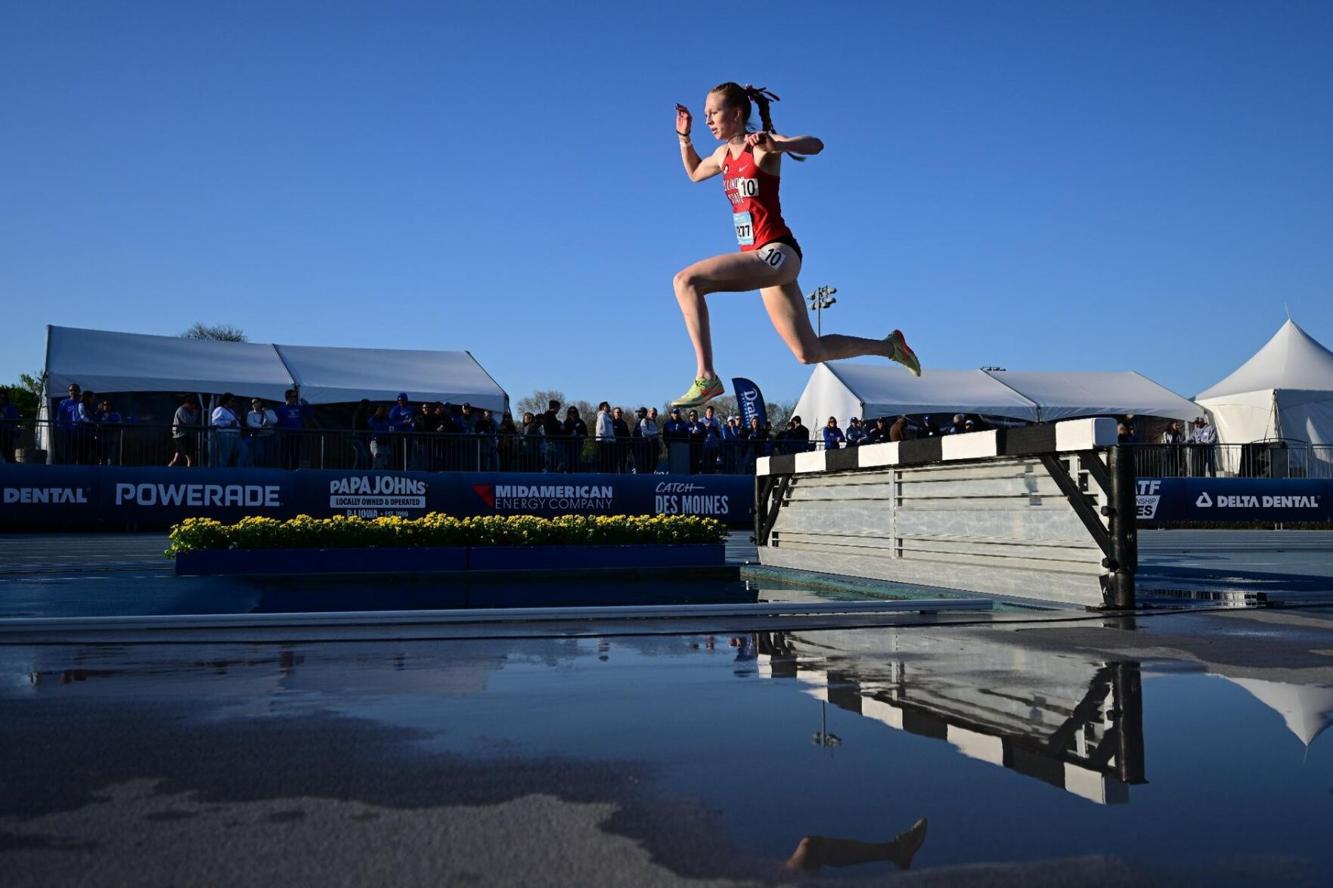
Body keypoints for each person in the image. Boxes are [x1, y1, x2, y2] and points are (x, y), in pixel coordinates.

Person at [669, 83, 920, 408]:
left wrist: (776, 143)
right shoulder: (721, 156)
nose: (707, 120)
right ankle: (891, 347)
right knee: (807, 352)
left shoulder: (759, 148)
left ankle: (706, 376)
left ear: (736, 113)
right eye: (704, 114)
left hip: (777, 253)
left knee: (685, 281)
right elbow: (693, 173)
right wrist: (684, 137)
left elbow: (816, 144)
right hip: (759, 260)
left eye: (713, 113)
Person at [275, 389, 309, 470]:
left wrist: (306, 405)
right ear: (288, 397)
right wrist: (281, 431)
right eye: (294, 396)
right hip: (285, 435)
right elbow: (276, 422)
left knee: (296, 454)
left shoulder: (299, 408)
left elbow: (309, 414)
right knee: (285, 454)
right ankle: (284, 471)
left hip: (296, 434)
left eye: (296, 396)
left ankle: (295, 470)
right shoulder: (281, 409)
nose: (295, 398)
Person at [210, 393, 242, 468]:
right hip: (225, 435)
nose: (233, 402)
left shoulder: (231, 410)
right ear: (226, 400)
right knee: (225, 456)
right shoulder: (219, 410)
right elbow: (215, 422)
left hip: (235, 435)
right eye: (232, 400)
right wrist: (229, 423)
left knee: (244, 451)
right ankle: (221, 474)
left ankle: (238, 470)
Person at [245, 397, 278, 468]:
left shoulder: (270, 411)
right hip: (258, 437)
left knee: (269, 454)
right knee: (259, 453)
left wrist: (266, 412)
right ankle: (257, 468)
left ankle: (267, 469)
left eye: (255, 402)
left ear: (261, 403)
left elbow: (274, 421)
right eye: (252, 403)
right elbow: (250, 423)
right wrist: (261, 426)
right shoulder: (250, 413)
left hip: (270, 437)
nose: (253, 404)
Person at [168, 396, 201, 468]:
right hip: (180, 437)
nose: (193, 408)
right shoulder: (181, 410)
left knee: (176, 458)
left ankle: (169, 469)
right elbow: (189, 422)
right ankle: (189, 474)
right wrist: (195, 414)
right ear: (189, 404)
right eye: (193, 406)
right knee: (190, 458)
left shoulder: (184, 410)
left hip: (181, 436)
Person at [562, 406, 587, 473]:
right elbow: (563, 434)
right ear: (568, 413)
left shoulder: (581, 422)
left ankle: (576, 474)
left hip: (578, 444)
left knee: (577, 460)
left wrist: (581, 435)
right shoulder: (566, 422)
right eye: (570, 412)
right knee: (568, 460)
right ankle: (568, 474)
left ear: (576, 413)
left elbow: (585, 433)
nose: (572, 413)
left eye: (574, 412)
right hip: (568, 445)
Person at [0, 390, 19, 463]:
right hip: (3, 432)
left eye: (2, 398)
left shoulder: (11, 407)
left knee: (7, 450)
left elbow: (16, 419)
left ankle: (10, 463)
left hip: (7, 433)